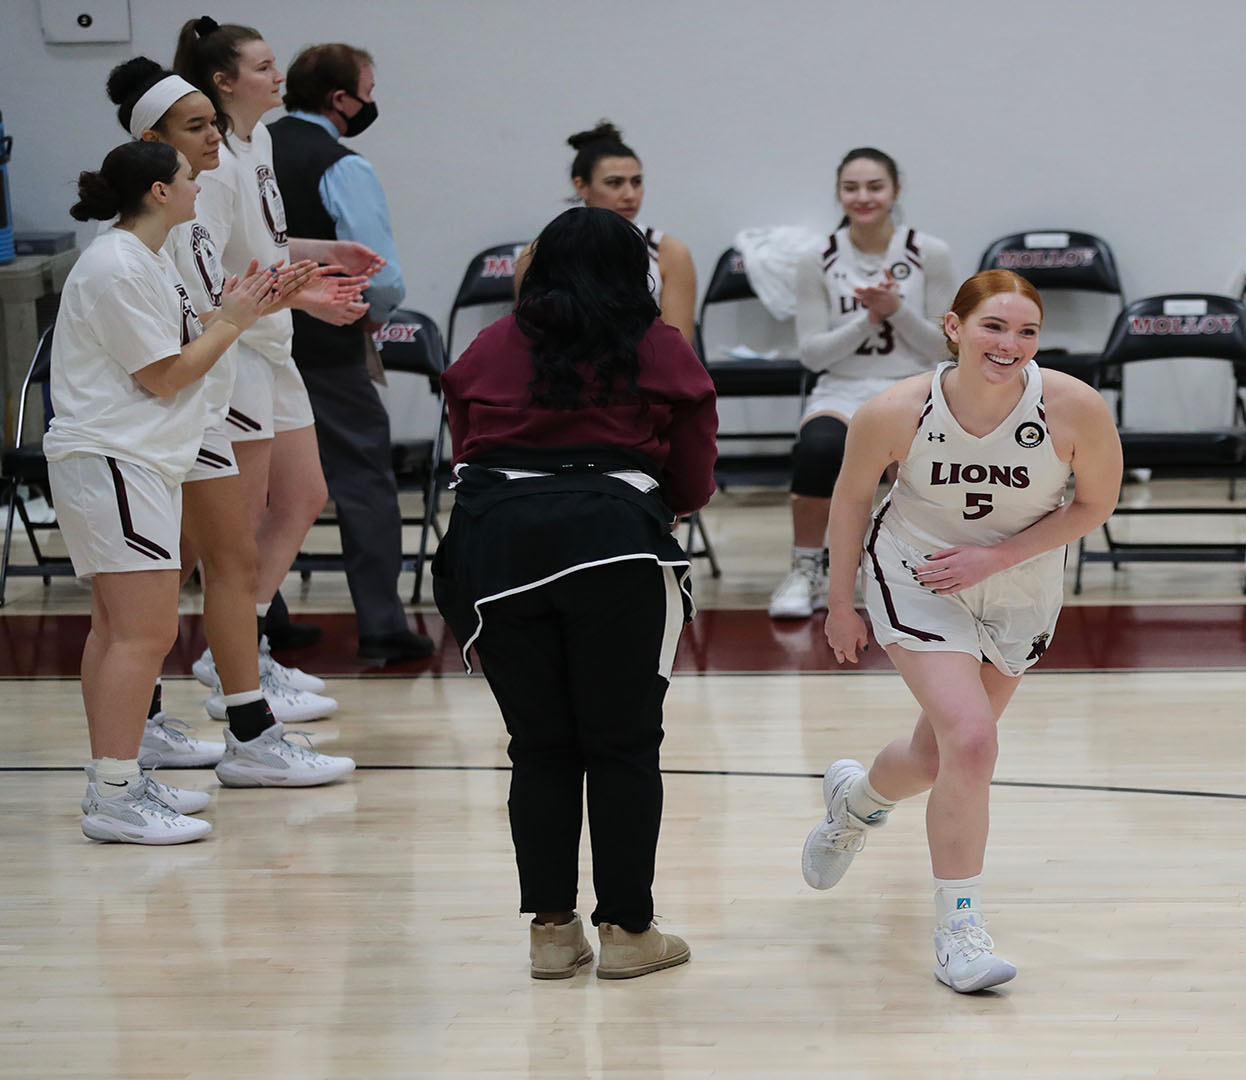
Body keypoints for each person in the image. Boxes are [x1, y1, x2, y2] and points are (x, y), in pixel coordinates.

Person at [799, 269, 1122, 992]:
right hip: (918, 571)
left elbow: (1095, 503)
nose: (1010, 345)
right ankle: (960, 931)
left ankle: (855, 805)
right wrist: (841, 602)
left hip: (1018, 579)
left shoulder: (1073, 408)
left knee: (937, 756)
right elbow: (851, 500)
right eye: (994, 327)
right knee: (972, 741)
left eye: (1027, 332)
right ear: (954, 328)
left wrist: (1000, 557)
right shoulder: (894, 410)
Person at [433, 207, 717, 980]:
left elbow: (465, 446)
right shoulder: (656, 343)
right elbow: (692, 479)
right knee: (622, 745)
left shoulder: (490, 344)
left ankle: (552, 934)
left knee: (540, 748)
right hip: (615, 544)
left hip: (492, 551)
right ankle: (629, 933)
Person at [54, 142, 332, 843]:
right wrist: (235, 323)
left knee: (121, 630)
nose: (198, 186)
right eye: (187, 179)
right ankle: (115, 797)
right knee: (142, 631)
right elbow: (167, 375)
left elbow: (184, 343)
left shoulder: (144, 260)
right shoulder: (116, 266)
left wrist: (254, 303)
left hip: (133, 458)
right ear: (157, 190)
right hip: (117, 457)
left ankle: (117, 781)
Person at [105, 58, 344, 777]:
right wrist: (247, 313)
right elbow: (168, 342)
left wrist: (277, 292)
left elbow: (211, 304)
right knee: (148, 589)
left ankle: (246, 729)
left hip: (201, 403)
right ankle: (133, 742)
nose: (214, 136)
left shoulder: (193, 204)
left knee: (230, 560)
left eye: (213, 122)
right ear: (154, 141)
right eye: (196, 125)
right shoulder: (131, 246)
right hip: (156, 418)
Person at [174, 17, 387, 665]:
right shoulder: (208, 168)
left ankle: (244, 646)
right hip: (233, 349)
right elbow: (209, 280)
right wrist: (305, 295)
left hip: (271, 340)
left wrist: (326, 253)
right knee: (228, 531)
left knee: (302, 496)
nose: (279, 77)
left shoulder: (258, 138)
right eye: (264, 67)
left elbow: (262, 244)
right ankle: (225, 663)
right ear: (224, 82)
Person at [269, 43, 433, 662]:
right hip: (326, 344)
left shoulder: (244, 153)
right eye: (367, 88)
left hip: (249, 341)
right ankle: (382, 626)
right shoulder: (342, 164)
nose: (371, 101)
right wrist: (374, 319)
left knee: (259, 488)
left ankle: (262, 620)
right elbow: (377, 273)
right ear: (341, 99)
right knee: (363, 478)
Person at [770, 148, 957, 619]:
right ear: (838, 193)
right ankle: (807, 569)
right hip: (842, 388)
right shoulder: (818, 257)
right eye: (851, 187)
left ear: (895, 190)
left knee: (917, 464)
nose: (863, 196)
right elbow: (812, 354)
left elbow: (946, 347)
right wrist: (869, 320)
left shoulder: (929, 252)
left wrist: (898, 313)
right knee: (817, 450)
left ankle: (913, 571)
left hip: (914, 386)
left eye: (875, 186)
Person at [512, 122, 697, 340]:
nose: (630, 194)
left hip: (644, 369)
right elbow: (529, 337)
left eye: (636, 182)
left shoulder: (670, 252)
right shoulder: (536, 254)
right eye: (614, 183)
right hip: (562, 369)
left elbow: (678, 347)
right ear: (581, 186)